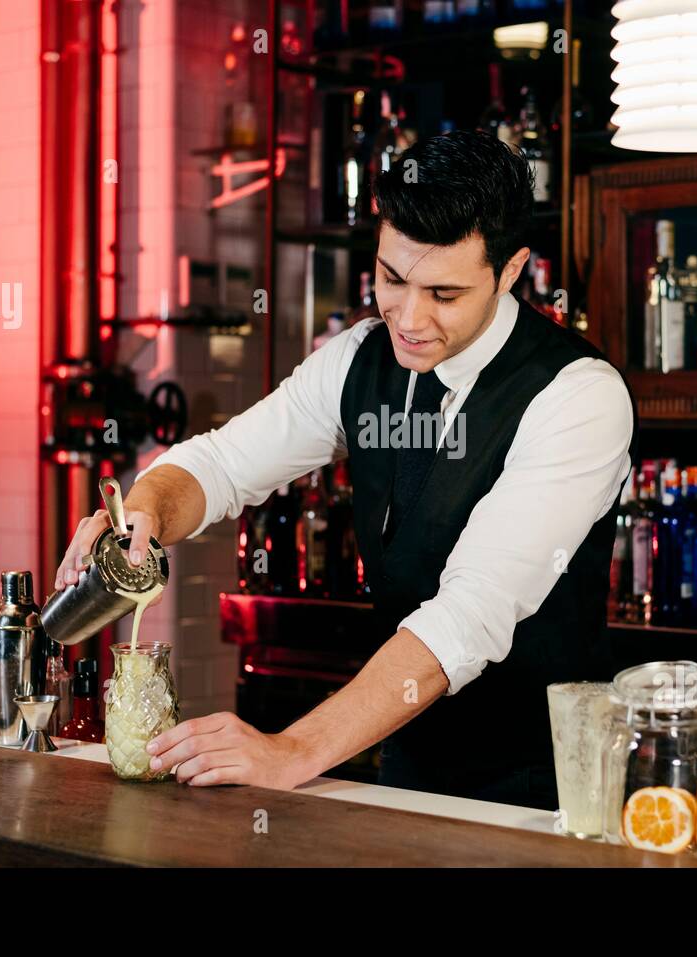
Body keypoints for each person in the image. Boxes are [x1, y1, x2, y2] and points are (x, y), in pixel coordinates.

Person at [53, 129, 634, 809]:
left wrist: (290, 748)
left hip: (541, 793)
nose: (409, 317)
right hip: (407, 771)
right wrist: (147, 506)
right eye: (392, 279)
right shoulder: (360, 356)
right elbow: (223, 462)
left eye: (444, 293)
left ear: (510, 273)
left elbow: (468, 614)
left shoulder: (577, 395)